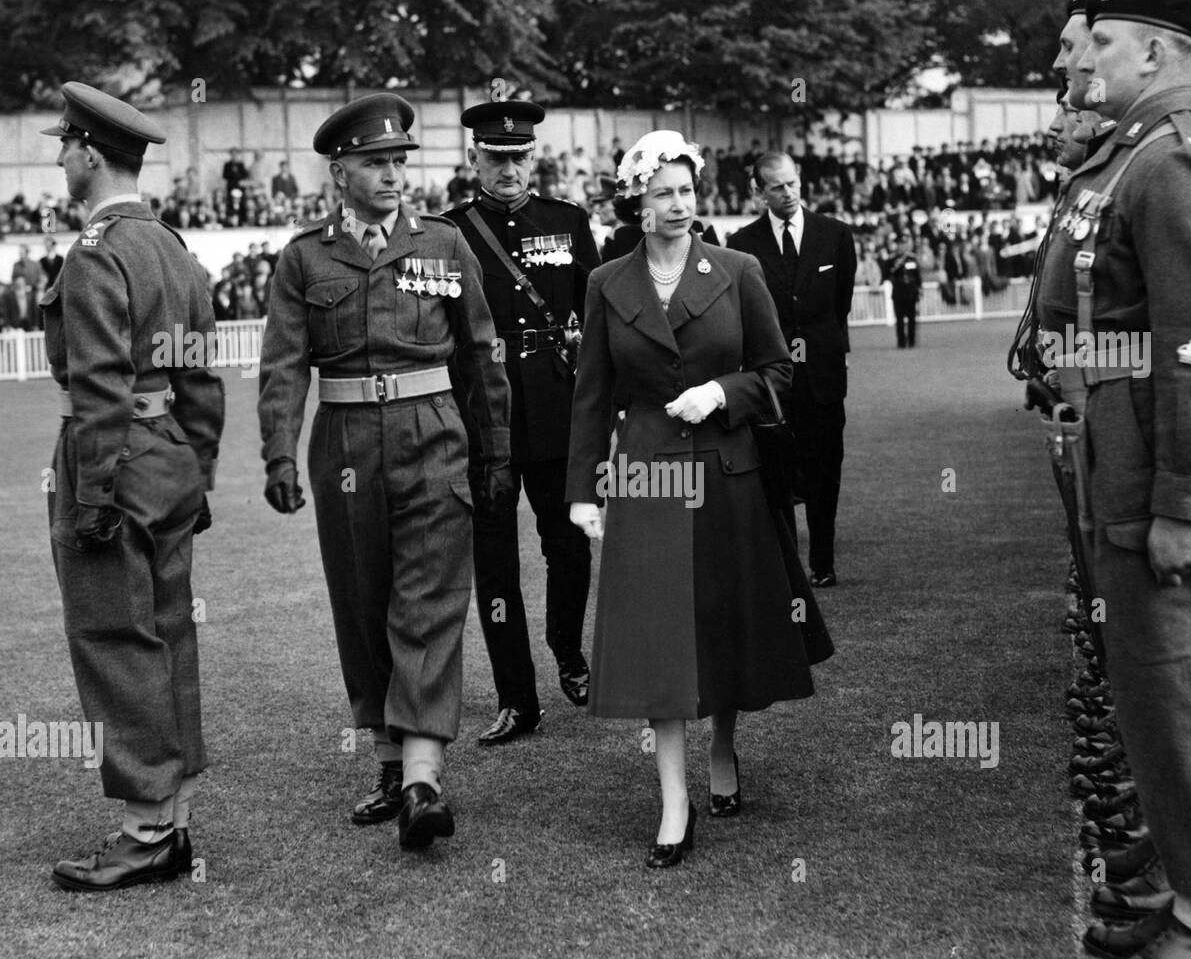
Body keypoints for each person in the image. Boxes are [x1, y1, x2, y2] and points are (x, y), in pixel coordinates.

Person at [1035, 0, 1191, 959]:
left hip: (1159, 472)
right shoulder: (1133, 155)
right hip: (1123, 459)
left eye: (1111, 43)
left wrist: (1182, 501)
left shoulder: (1173, 161)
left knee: (1185, 691)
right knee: (1151, 691)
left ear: (1163, 54)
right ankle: (1186, 906)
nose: (1092, 60)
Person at [566, 131, 832, 867]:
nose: (680, 205)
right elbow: (591, 392)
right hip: (646, 474)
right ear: (637, 205)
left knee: (720, 625)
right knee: (658, 636)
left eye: (687, 190)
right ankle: (673, 800)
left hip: (727, 469)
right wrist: (583, 489)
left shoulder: (740, 269)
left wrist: (722, 390)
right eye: (663, 194)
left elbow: (778, 370)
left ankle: (723, 746)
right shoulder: (606, 283)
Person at [257, 93, 512, 850]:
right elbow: (281, 368)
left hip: (434, 434)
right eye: (377, 163)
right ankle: (390, 759)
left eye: (401, 161)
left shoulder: (443, 245)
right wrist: (278, 451)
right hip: (343, 446)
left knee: (430, 598)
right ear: (341, 172)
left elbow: (481, 352)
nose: (395, 175)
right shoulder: (305, 257)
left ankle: (425, 778)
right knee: (365, 601)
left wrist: (495, 448)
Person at [38, 83, 225, 891]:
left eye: (64, 146)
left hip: (109, 456)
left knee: (116, 639)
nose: (58, 158)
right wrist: (196, 468)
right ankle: (172, 818)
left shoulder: (96, 250)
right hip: (170, 454)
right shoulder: (174, 248)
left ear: (88, 151)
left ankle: (146, 829)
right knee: (168, 631)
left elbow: (101, 387)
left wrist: (93, 498)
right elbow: (202, 379)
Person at [443, 101, 599, 745]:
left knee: (567, 545)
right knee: (495, 562)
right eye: (495, 157)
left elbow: (599, 313)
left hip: (558, 408)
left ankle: (567, 648)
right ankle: (517, 698)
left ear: (534, 158)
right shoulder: (449, 231)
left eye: (519, 156)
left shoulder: (568, 223)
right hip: (484, 414)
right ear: (474, 159)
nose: (508, 168)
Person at [727, 152, 856, 588]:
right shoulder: (742, 243)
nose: (788, 193)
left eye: (793, 183)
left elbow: (840, 307)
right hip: (771, 383)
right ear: (758, 192)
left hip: (822, 378)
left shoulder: (835, 236)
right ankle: (784, 568)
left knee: (825, 471)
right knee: (775, 476)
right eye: (777, 187)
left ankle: (823, 561)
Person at [883, 235, 921, 348]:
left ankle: (912, 340)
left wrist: (919, 288)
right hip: (899, 292)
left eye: (904, 244)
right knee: (899, 319)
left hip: (911, 292)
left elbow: (917, 276)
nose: (902, 246)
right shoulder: (892, 259)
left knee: (912, 319)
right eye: (900, 244)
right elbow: (887, 274)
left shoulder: (912, 258)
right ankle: (901, 342)